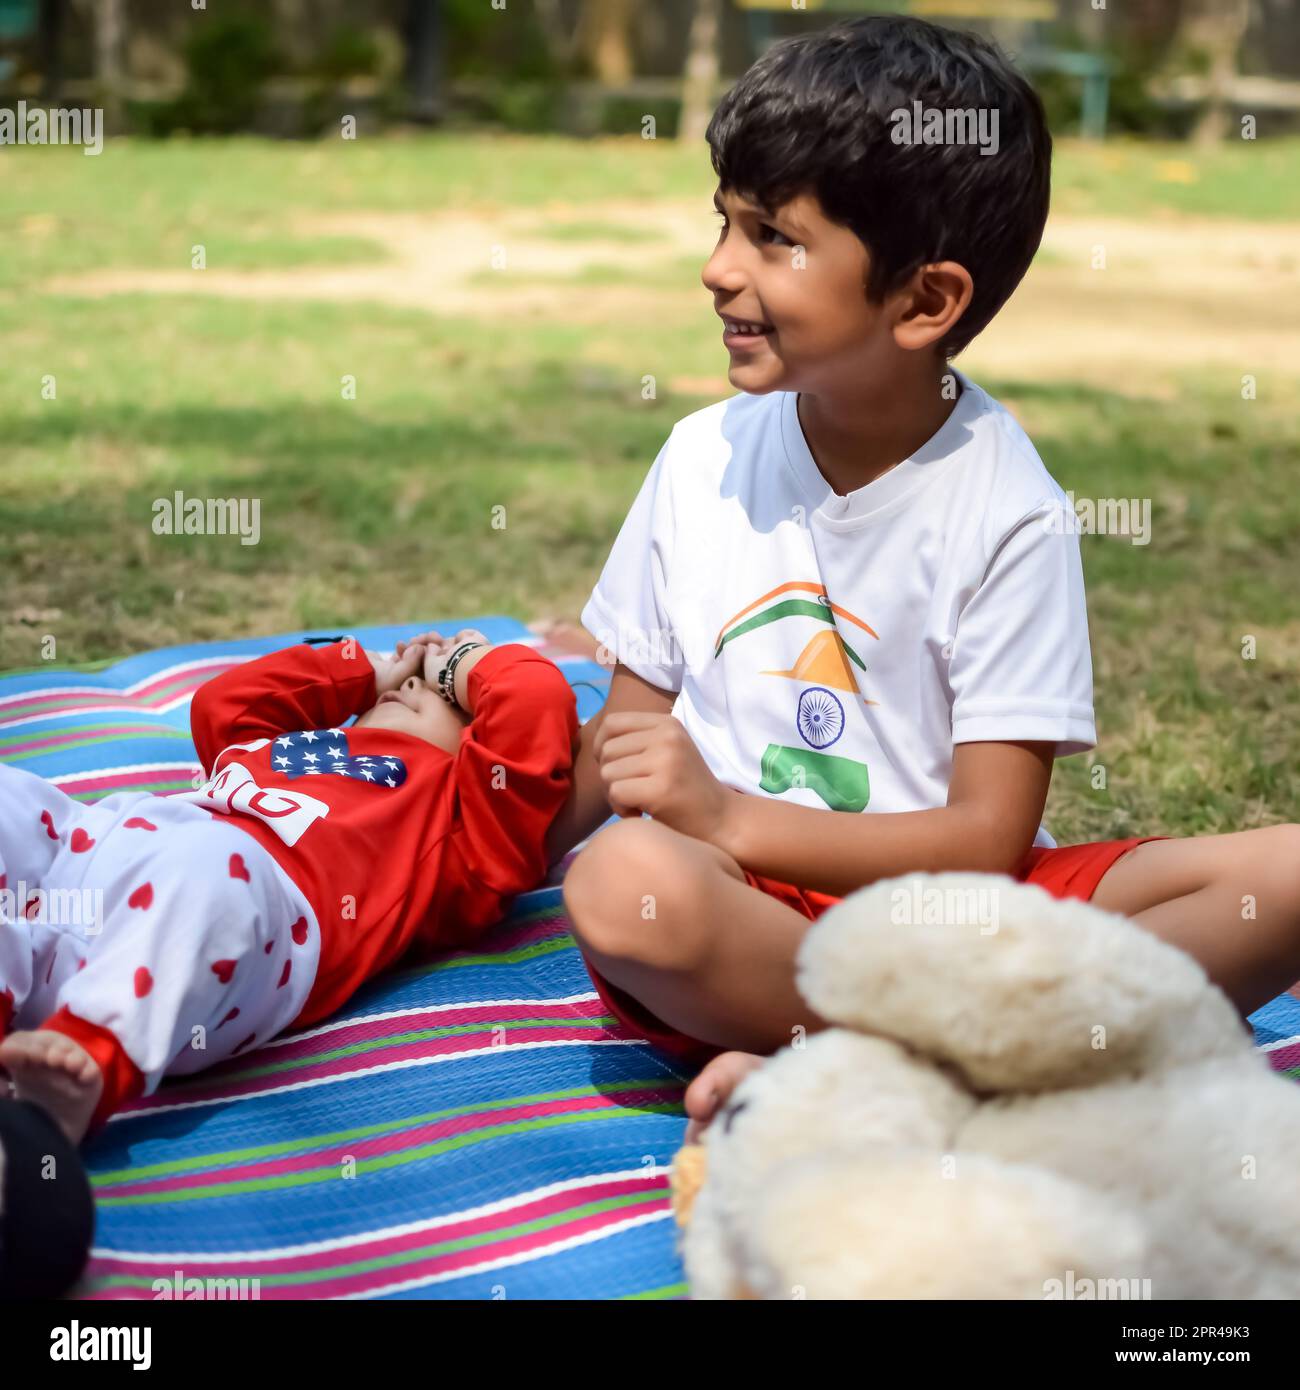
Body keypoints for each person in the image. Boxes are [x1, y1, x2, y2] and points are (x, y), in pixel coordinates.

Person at [541, 15, 1300, 1140]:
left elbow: (987, 840)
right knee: (622, 886)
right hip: (752, 925)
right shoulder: (700, 458)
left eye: (773, 237)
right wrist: (458, 848)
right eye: (724, 221)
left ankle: (872, 1070)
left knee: (1285, 877)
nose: (718, 268)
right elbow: (630, 748)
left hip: (956, 918)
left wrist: (732, 813)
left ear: (924, 302)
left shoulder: (1008, 509)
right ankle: (979, 1064)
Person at [0, 629, 577, 1142]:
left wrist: (464, 663)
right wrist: (368, 671)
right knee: (12, 799)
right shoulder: (287, 746)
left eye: (449, 700)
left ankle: (85, 1058)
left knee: (212, 862)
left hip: (219, 932)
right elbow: (224, 701)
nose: (416, 685)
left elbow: (533, 701)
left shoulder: (460, 828)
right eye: (415, 680)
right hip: (90, 857)